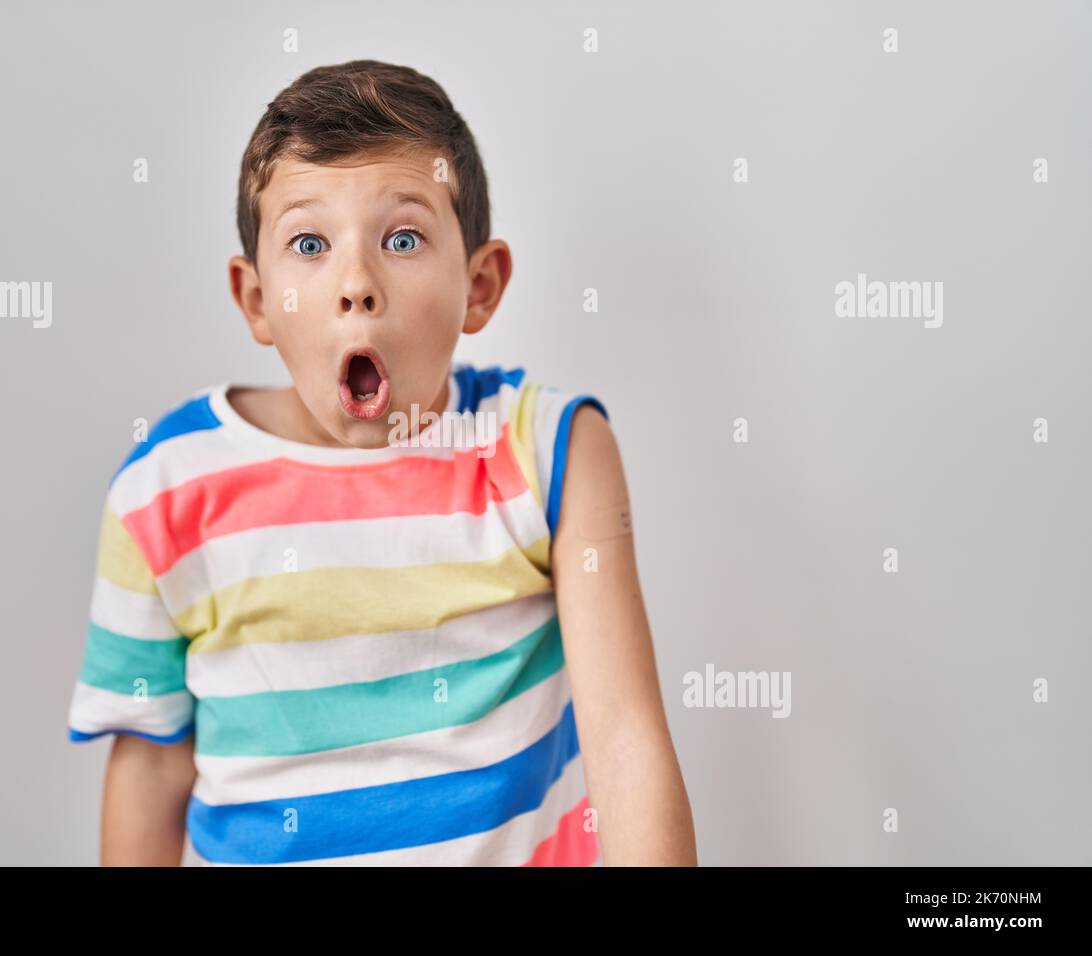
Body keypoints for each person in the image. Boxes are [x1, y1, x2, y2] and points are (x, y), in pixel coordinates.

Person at [67, 59, 696, 866]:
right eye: (309, 244)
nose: (356, 285)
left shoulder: (547, 450)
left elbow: (625, 740)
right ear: (257, 300)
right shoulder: (165, 491)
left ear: (479, 285)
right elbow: (150, 769)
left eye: (402, 239)